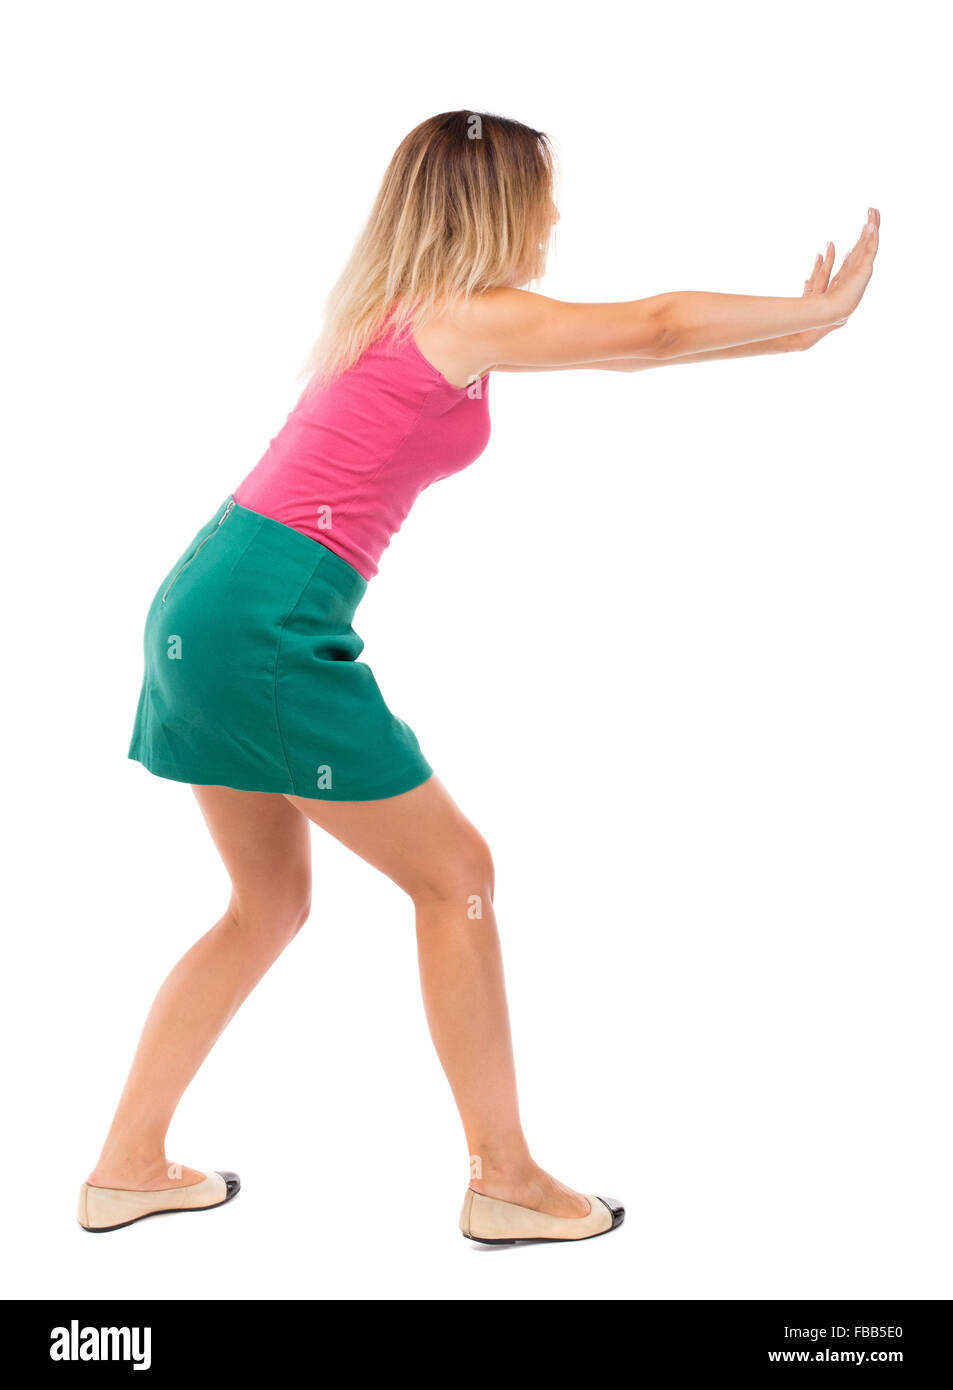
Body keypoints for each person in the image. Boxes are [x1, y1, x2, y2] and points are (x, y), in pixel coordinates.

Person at [79, 110, 879, 1243]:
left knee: (268, 902)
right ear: (497, 203)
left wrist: (790, 338)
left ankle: (124, 1166)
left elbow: (627, 347)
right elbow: (646, 328)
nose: (554, 213)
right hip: (260, 619)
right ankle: (502, 1176)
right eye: (542, 193)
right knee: (457, 873)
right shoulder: (460, 313)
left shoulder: (405, 310)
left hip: (205, 602)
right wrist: (814, 308)